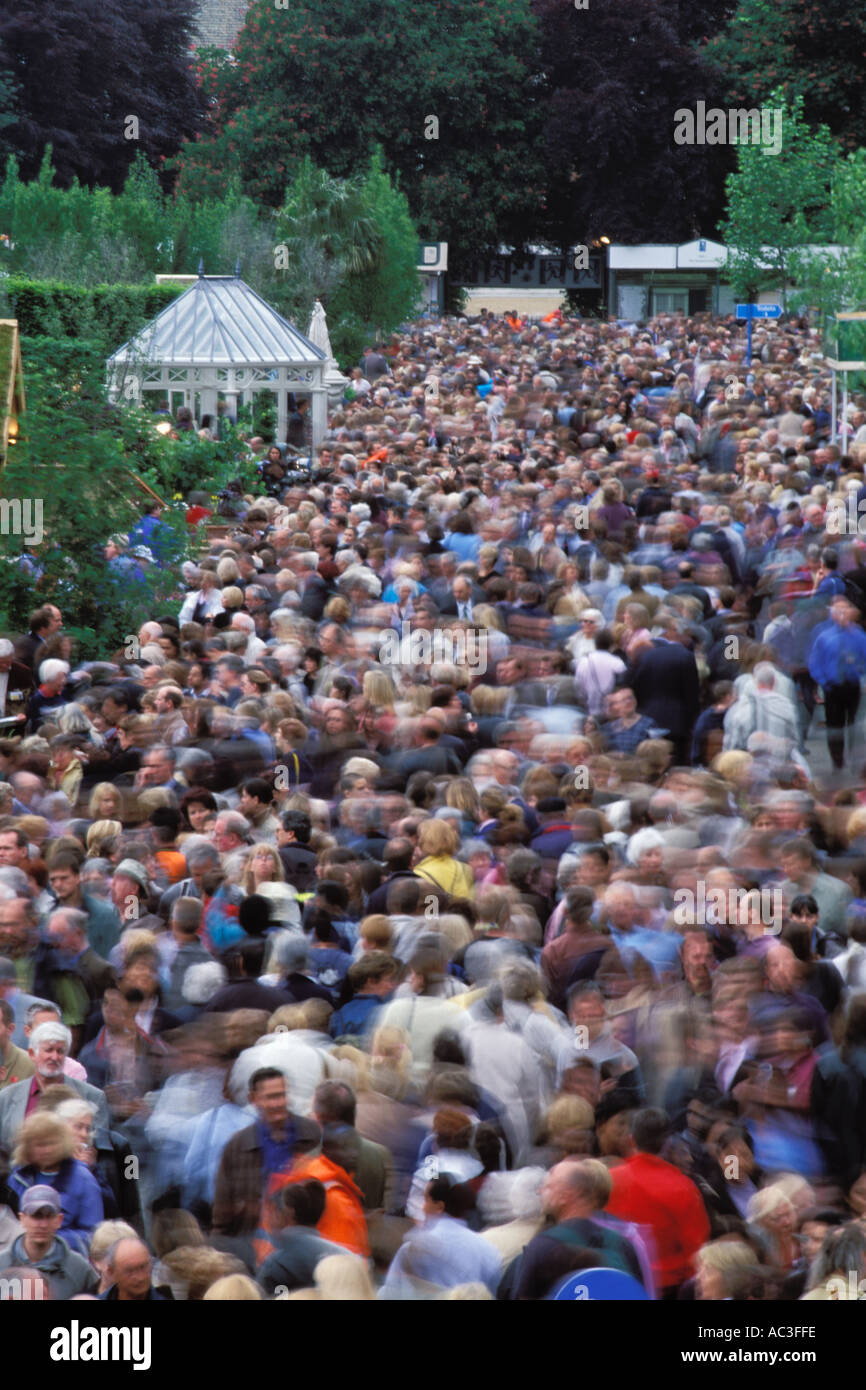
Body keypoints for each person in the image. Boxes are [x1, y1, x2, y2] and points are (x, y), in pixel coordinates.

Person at [605, 1108, 710, 1297]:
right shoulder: (683, 1186)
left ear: (631, 1140)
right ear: (668, 1143)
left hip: (618, 1281)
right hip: (668, 1287)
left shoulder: (610, 1180)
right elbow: (696, 1247)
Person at [212, 1068, 321, 1242]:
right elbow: (222, 1210)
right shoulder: (238, 1146)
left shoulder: (312, 1135)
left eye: (282, 1095)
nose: (279, 1103)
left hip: (306, 1238)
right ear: (253, 1100)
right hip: (253, 1241)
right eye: (271, 1097)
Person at [0, 1184, 98, 1298]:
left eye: (49, 1216)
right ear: (22, 1218)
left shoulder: (79, 1269)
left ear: (59, 1220)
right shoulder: (2, 1264)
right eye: (36, 1216)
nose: (42, 1224)